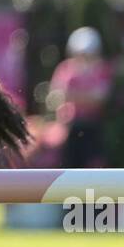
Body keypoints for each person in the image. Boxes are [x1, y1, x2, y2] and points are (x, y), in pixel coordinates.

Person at [49, 26, 112, 168]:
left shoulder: (102, 69)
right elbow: (59, 95)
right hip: (69, 128)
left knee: (93, 170)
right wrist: (87, 97)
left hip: (93, 128)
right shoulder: (66, 68)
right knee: (68, 168)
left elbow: (101, 98)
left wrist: (75, 96)